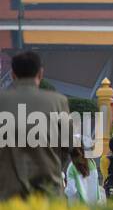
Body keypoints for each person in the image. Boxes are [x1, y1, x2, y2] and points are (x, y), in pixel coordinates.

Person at [0, 50, 76, 201]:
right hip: (48, 192)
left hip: (7, 195)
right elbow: (67, 148)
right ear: (40, 74)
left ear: (13, 75)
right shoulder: (58, 101)